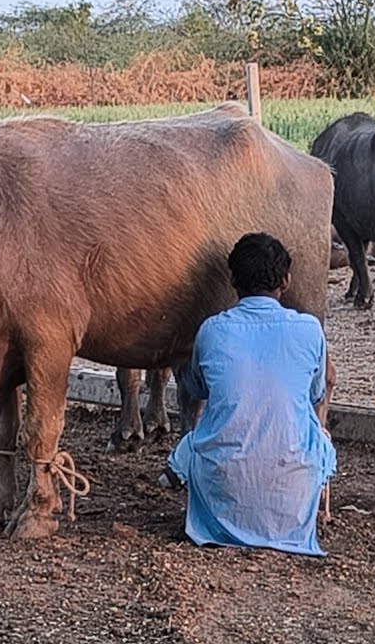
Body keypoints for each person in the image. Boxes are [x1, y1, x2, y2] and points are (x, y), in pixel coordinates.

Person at [159, 232, 336, 556]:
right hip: (291, 508)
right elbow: (315, 395)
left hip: (218, 511)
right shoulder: (310, 329)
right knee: (318, 435)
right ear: (286, 280)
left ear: (233, 281)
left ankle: (182, 481)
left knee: (194, 441)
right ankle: (306, 501)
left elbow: (196, 388)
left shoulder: (212, 329)